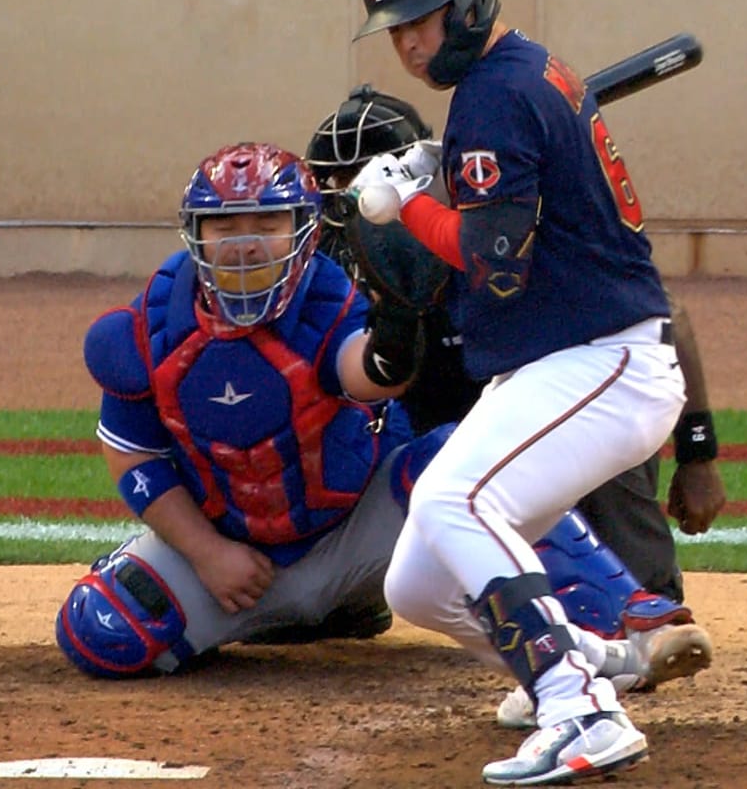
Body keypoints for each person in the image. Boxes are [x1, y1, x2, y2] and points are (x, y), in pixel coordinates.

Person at [52, 141, 704, 707]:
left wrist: (398, 310)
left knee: (455, 465)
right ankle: (287, 616)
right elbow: (131, 456)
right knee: (98, 631)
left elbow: (372, 372)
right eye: (226, 226)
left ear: (303, 232)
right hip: (233, 553)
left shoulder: (326, 296)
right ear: (195, 234)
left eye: (267, 221)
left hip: (362, 530)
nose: (246, 242)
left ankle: (630, 618)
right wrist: (207, 554)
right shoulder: (147, 329)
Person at [347, 0, 697, 783]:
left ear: (465, 5)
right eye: (395, 29)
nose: (407, 43)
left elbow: (492, 258)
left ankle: (576, 705)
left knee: (455, 496)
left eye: (419, 22)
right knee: (419, 585)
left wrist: (408, 203)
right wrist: (447, 174)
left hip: (605, 360)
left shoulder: (496, 96)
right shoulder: (521, 74)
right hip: (566, 362)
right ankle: (596, 652)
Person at [307, 85, 725, 729]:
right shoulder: (344, 268)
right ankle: (588, 655)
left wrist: (697, 450)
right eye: (337, 181)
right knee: (431, 510)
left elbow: (667, 316)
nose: (350, 194)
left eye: (359, 173)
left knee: (551, 452)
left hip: (578, 417)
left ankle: (638, 612)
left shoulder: (506, 220)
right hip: (474, 442)